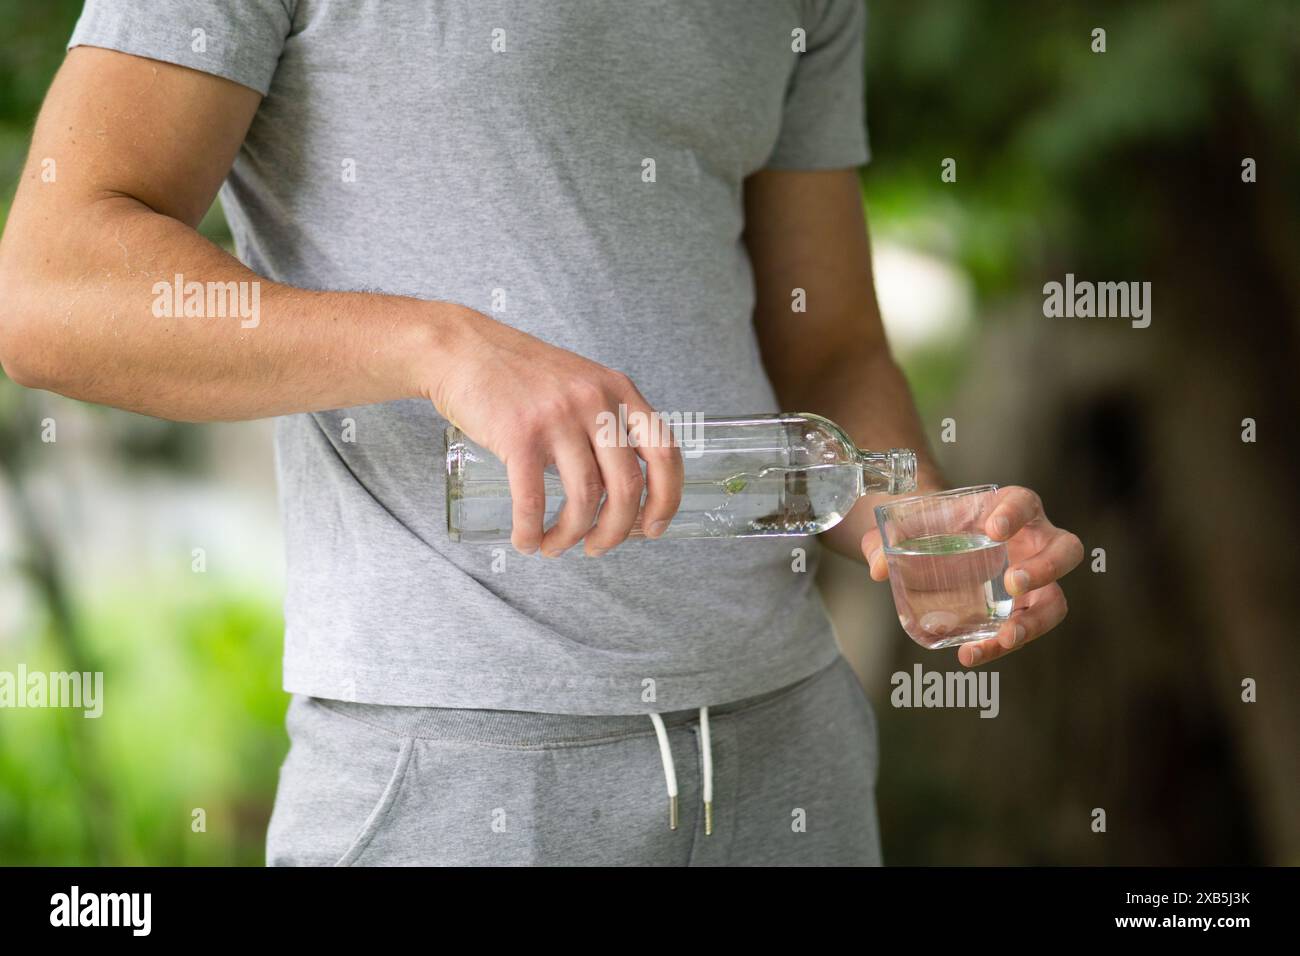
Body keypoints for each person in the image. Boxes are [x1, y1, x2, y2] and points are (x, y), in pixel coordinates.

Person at [0, 0, 1082, 865]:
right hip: (458, 775)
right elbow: (48, 289)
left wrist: (921, 523)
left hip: (791, 750)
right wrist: (441, 346)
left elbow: (830, 345)